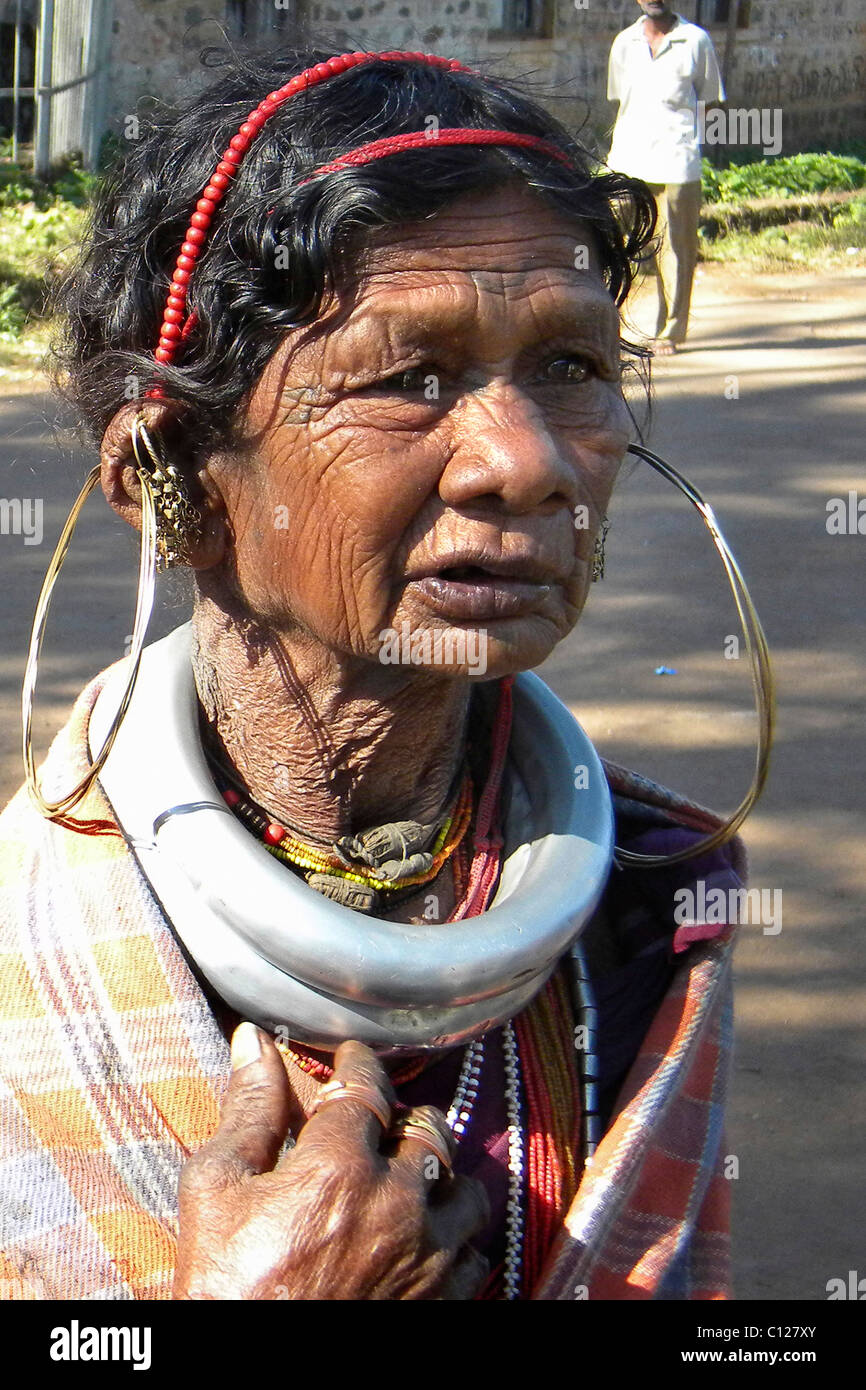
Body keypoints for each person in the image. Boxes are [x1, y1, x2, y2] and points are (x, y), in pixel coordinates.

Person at [0, 44, 754, 1301]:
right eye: (410, 379)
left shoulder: (649, 908)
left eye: (569, 367)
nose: (526, 464)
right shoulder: (22, 961)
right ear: (168, 473)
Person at [607, 1, 725, 354]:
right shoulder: (624, 42)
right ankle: (610, 325)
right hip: (628, 160)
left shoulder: (695, 41)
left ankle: (670, 332)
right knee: (613, 244)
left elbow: (710, 99)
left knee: (675, 246)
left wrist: (689, 140)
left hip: (677, 161)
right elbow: (618, 99)